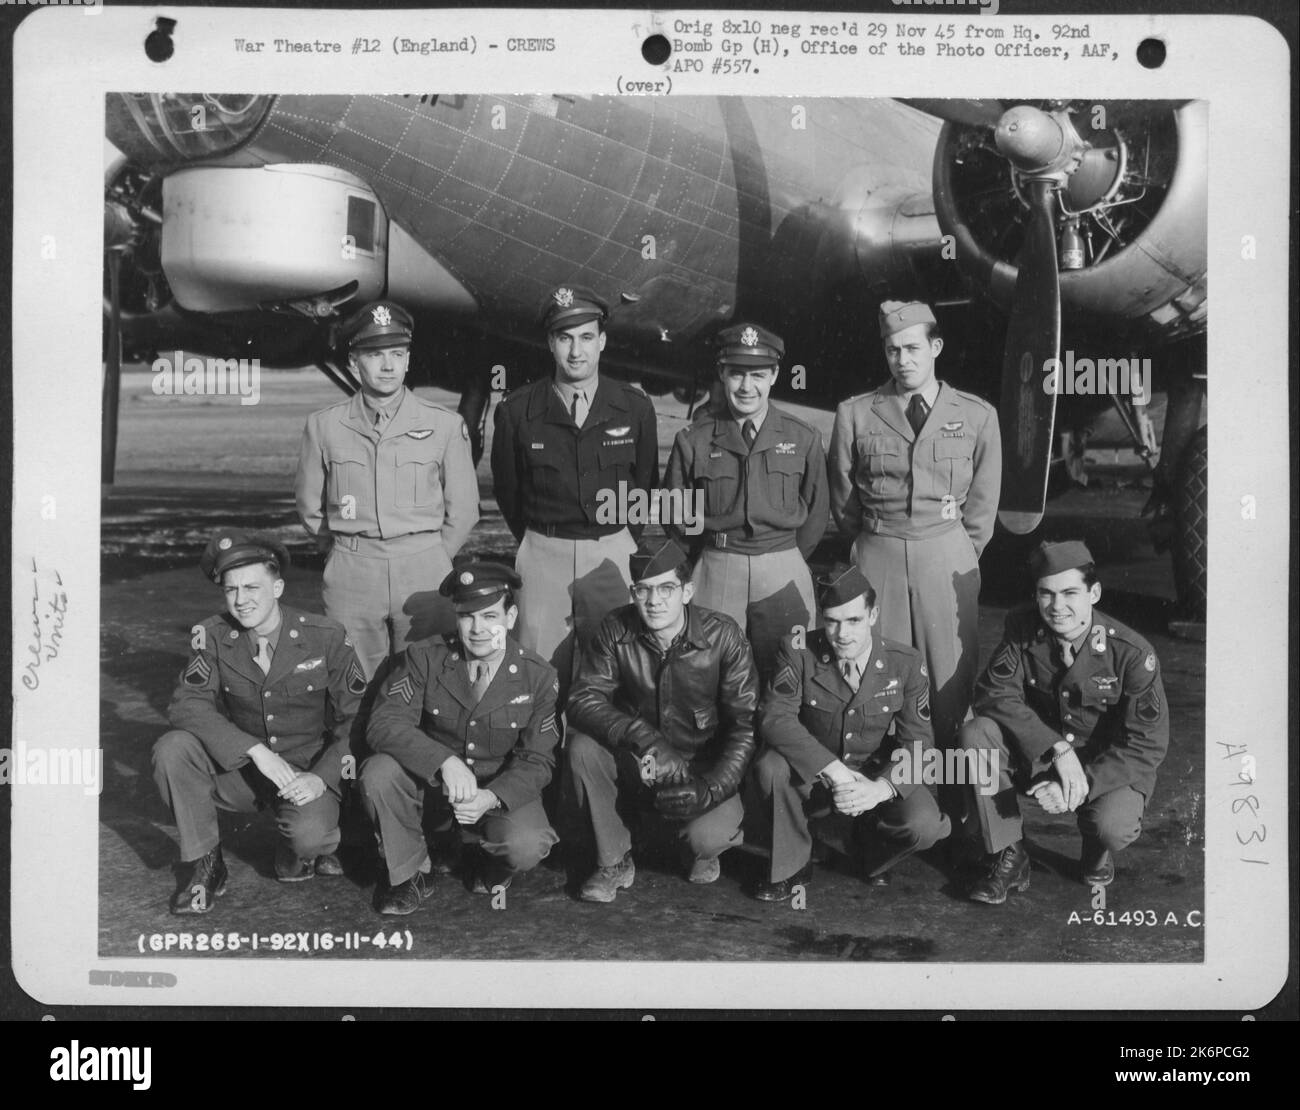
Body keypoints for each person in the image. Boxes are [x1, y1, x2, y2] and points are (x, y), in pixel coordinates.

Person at [153, 528, 366, 914]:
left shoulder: (325, 636)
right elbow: (187, 705)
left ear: (278, 587)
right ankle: (206, 864)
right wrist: (252, 750)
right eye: (231, 590)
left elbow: (358, 717)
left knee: (309, 838)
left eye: (252, 588)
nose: (241, 600)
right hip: (245, 770)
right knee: (173, 748)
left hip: (305, 770)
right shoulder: (212, 635)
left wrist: (322, 776)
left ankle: (299, 850)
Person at [828, 300, 1001, 755]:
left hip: (945, 554)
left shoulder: (978, 415)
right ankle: (893, 793)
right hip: (878, 550)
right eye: (892, 350)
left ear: (935, 347)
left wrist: (959, 551)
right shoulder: (856, 413)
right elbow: (844, 498)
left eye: (912, 348)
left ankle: (954, 792)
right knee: (880, 671)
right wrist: (872, 542)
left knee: (949, 676)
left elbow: (982, 506)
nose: (902, 360)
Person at [957, 540, 1170, 904]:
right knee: (976, 734)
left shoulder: (1132, 654)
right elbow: (993, 692)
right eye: (1046, 594)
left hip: (1106, 767)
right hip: (1042, 755)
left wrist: (1081, 782)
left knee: (1111, 827)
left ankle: (1096, 850)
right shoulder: (1022, 628)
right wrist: (1056, 749)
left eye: (1070, 593)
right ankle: (1009, 852)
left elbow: (1146, 744)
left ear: (1095, 593)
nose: (1057, 607)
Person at [295, 299, 480, 680]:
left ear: (409, 360)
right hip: (353, 570)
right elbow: (310, 505)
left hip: (424, 568)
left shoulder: (443, 425)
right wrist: (343, 554)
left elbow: (463, 508)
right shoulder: (324, 426)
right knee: (354, 680)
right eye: (375, 354)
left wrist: (430, 555)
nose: (388, 365)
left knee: (431, 679)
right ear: (353, 363)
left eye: (398, 353)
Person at [564, 538, 757, 902]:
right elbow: (582, 699)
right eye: (643, 590)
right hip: (641, 761)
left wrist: (712, 789)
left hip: (701, 769)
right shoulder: (615, 629)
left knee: (709, 837)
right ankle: (614, 860)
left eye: (666, 588)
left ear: (688, 591)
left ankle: (695, 846)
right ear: (633, 593)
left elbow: (745, 726)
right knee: (583, 747)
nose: (654, 602)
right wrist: (645, 738)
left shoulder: (724, 635)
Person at [361, 562, 561, 914]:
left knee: (526, 843)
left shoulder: (538, 676)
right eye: (467, 617)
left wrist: (493, 797)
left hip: (496, 792)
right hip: (437, 789)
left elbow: (538, 760)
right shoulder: (426, 658)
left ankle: (494, 864)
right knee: (379, 771)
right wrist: (444, 761)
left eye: (490, 617)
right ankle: (410, 872)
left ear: (510, 617)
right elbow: (384, 722)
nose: (479, 629)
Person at [490, 285, 659, 697]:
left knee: (622, 673)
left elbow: (645, 485)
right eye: (565, 338)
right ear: (550, 343)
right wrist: (540, 542)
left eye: (586, 337)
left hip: (613, 553)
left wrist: (618, 540)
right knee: (538, 677)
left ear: (602, 341)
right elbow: (509, 493)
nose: (576, 351)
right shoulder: (516, 411)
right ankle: (541, 761)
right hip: (544, 554)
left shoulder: (634, 407)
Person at [751, 566, 949, 900]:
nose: (842, 633)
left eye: (854, 620)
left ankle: (871, 854)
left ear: (873, 615)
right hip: (815, 771)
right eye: (832, 621)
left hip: (873, 773)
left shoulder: (905, 663)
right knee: (771, 766)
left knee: (925, 824)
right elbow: (775, 717)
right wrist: (833, 769)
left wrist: (882, 789)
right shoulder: (797, 651)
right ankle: (792, 864)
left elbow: (919, 744)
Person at [664, 323, 829, 677]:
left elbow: (816, 511)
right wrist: (705, 558)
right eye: (736, 374)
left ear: (774, 376)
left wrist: (786, 555)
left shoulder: (803, 437)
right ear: (722, 374)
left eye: (757, 375)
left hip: (783, 566)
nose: (746, 387)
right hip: (718, 565)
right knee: (708, 674)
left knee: (789, 673)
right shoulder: (693, 439)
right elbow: (675, 514)